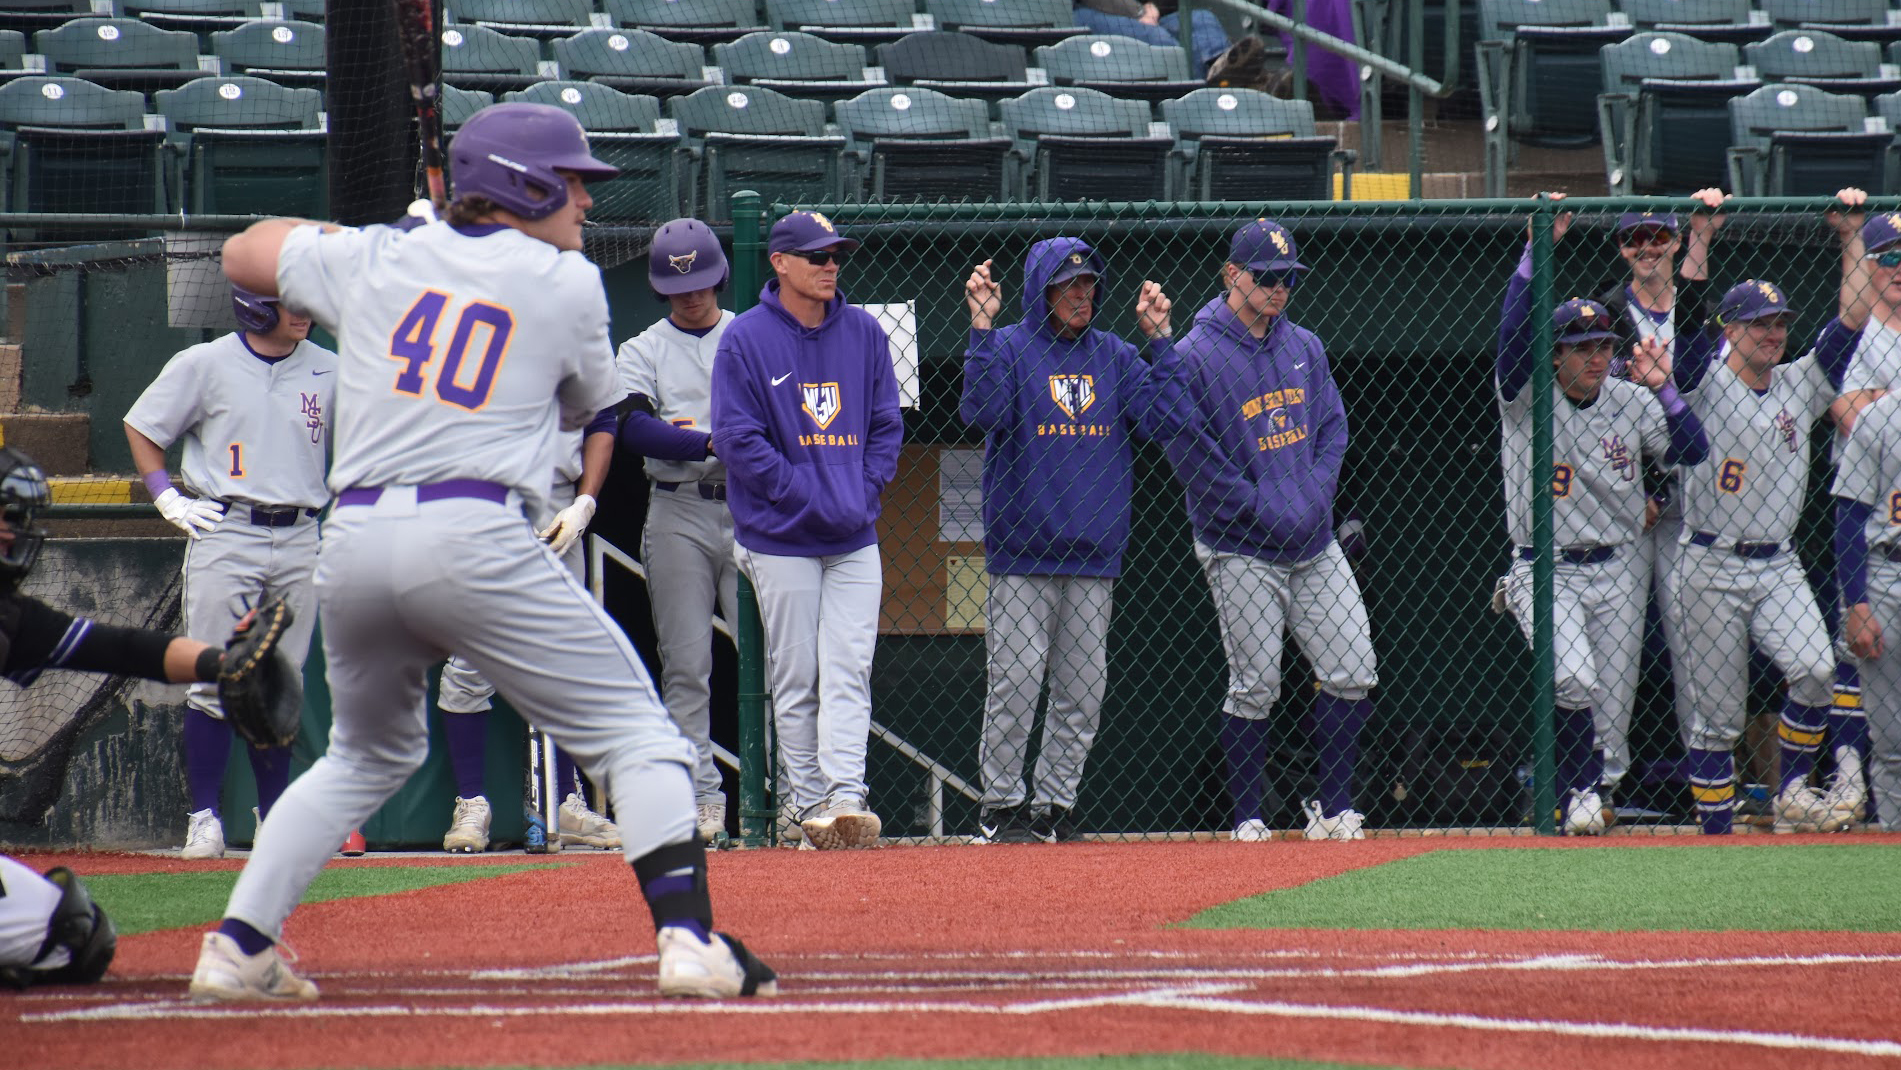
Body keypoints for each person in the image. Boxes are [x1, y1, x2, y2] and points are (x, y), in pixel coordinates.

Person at [191, 102, 775, 1002]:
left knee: (361, 758)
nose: (584, 200)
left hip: (351, 543)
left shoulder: (377, 257)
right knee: (639, 736)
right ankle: (690, 939)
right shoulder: (565, 282)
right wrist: (414, 254)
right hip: (472, 531)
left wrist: (371, 247)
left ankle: (236, 947)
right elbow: (586, 402)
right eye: (572, 181)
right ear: (526, 185)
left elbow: (241, 254)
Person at [0, 445, 271, 989]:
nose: (13, 532)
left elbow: (121, 649)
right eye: (3, 518)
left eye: (16, 520)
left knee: (72, 933)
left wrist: (225, 666)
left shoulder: (11, 616)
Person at [1491, 196, 1710, 835]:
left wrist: (1665, 387)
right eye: (1580, 345)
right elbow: (1509, 336)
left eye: (1601, 344)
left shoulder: (1628, 396)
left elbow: (1693, 451)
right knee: (1572, 678)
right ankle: (1578, 792)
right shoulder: (1527, 397)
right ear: (1555, 353)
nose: (1593, 355)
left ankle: (1585, 794)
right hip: (1545, 566)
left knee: (1610, 706)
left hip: (1618, 567)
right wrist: (1538, 250)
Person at [959, 240, 1186, 843]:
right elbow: (979, 412)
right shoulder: (1009, 346)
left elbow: (1173, 419)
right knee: (1014, 685)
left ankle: (1054, 808)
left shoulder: (1113, 355)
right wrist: (982, 326)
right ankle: (1000, 807)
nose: (1082, 294)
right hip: (1023, 554)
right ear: (1041, 290)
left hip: (1093, 555)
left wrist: (1160, 340)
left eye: (1088, 284)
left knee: (1083, 696)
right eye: (1068, 285)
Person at [1162, 219, 1378, 843]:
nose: (1281, 288)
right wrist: (1259, 503)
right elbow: (1189, 457)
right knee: (1255, 683)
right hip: (1240, 546)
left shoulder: (1304, 345)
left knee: (1352, 667)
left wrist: (1312, 495)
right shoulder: (1193, 355)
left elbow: (1333, 430)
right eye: (1268, 277)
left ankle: (1333, 808)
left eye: (1289, 278)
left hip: (1312, 541)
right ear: (1234, 275)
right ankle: (1247, 817)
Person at [710, 210, 902, 851]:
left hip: (852, 535)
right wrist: (806, 494)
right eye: (816, 255)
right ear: (780, 262)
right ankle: (810, 803)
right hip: (780, 535)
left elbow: (885, 427)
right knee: (797, 675)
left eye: (835, 255)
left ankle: (847, 797)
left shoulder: (866, 332)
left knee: (849, 667)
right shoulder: (745, 338)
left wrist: (862, 490)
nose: (829, 266)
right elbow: (738, 440)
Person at [123, 284, 336, 861]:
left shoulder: (329, 368)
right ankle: (204, 819)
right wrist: (166, 495)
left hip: (301, 532)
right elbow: (142, 426)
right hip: (227, 527)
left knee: (279, 684)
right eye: (293, 302)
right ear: (258, 306)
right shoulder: (205, 362)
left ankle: (275, 821)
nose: (306, 313)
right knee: (213, 678)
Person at [1667, 279, 1858, 834]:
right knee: (1717, 722)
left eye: (1779, 322)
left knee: (1817, 669)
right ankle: (1717, 832)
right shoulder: (1704, 380)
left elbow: (1847, 327)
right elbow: (1684, 336)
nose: (1773, 333)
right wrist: (1698, 245)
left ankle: (1794, 791)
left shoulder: (1798, 381)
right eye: (1759, 323)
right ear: (1730, 329)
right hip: (1708, 561)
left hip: (1778, 563)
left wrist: (1853, 240)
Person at [1589, 197, 1724, 803]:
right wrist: (1645, 488)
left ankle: (1709, 783)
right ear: (1621, 248)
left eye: (1657, 237)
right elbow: (1609, 415)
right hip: (1625, 499)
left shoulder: (1693, 311)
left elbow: (1692, 378)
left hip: (1689, 499)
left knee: (1692, 641)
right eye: (1634, 238)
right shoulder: (1611, 313)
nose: (1646, 247)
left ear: (1671, 242)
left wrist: (1701, 234)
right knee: (1612, 657)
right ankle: (1602, 783)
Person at [435, 418, 621, 854]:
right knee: (469, 664)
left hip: (557, 499)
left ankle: (566, 804)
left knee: (568, 666)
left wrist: (585, 504)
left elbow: (602, 423)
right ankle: (471, 803)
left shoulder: (574, 347)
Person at [615, 217, 738, 848]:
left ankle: (799, 793)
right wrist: (711, 440)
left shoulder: (749, 334)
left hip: (752, 508)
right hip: (677, 508)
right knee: (688, 665)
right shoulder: (641, 348)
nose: (692, 296)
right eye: (678, 287)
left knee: (779, 662)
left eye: (702, 283)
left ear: (719, 276)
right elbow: (633, 429)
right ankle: (703, 798)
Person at [1814, 189, 1900, 826]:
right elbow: (1845, 412)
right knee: (1889, 732)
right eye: (1886, 255)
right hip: (1879, 530)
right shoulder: (1863, 330)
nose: (1897, 264)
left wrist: (1876, 403)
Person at [1830, 389, 1901, 832]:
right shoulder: (1882, 416)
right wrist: (1856, 604)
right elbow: (1849, 516)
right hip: (1886, 573)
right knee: (1893, 743)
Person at [1070, 0, 1232, 77]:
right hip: (1088, 11)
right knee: (1160, 41)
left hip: (1140, 14)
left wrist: (1154, 5)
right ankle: (1200, 96)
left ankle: (1227, 77)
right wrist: (1137, 11)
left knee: (1202, 20)